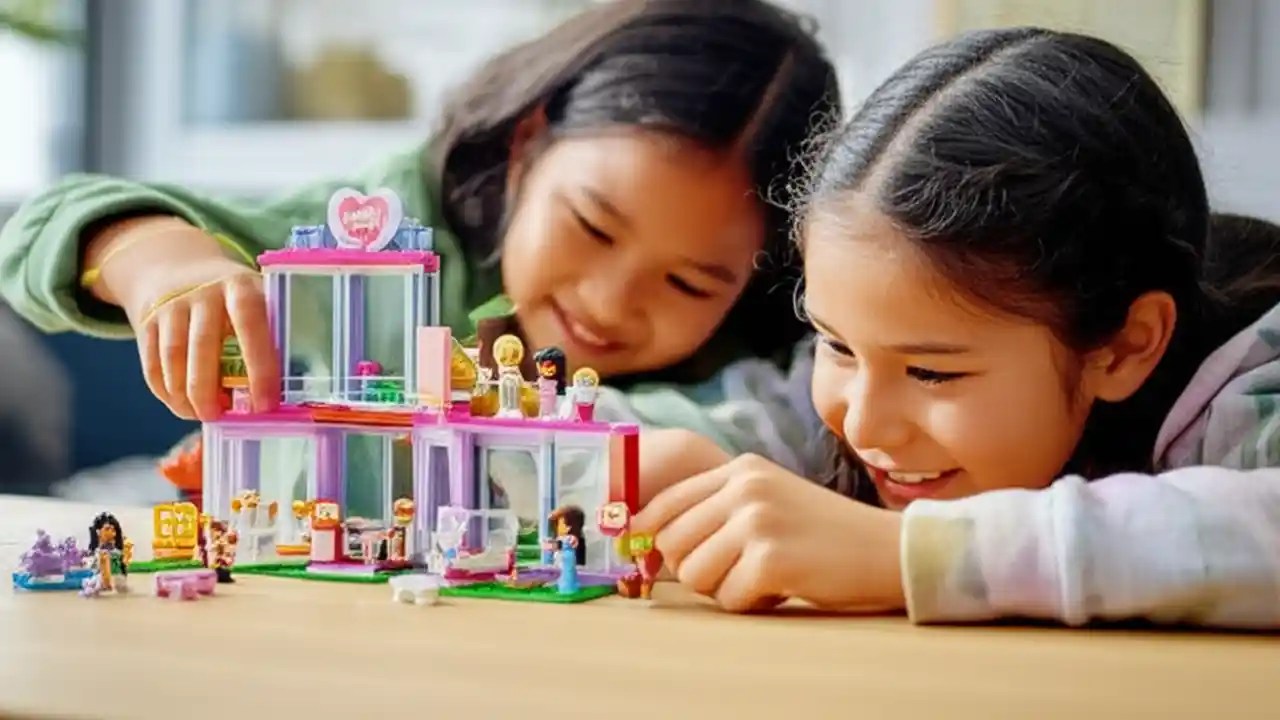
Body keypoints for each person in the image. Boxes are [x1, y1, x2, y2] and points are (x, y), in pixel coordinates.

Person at [0, 0, 841, 511]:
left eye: (692, 281)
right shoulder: (391, 226)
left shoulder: (791, 361)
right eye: (590, 225)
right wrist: (156, 260)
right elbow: (44, 226)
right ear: (526, 146)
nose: (611, 302)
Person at [632, 28, 1280, 628]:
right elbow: (740, 422)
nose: (862, 426)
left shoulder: (1251, 392)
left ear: (1121, 347)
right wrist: (648, 450)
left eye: (932, 372)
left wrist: (905, 556)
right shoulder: (875, 371)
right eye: (836, 344)